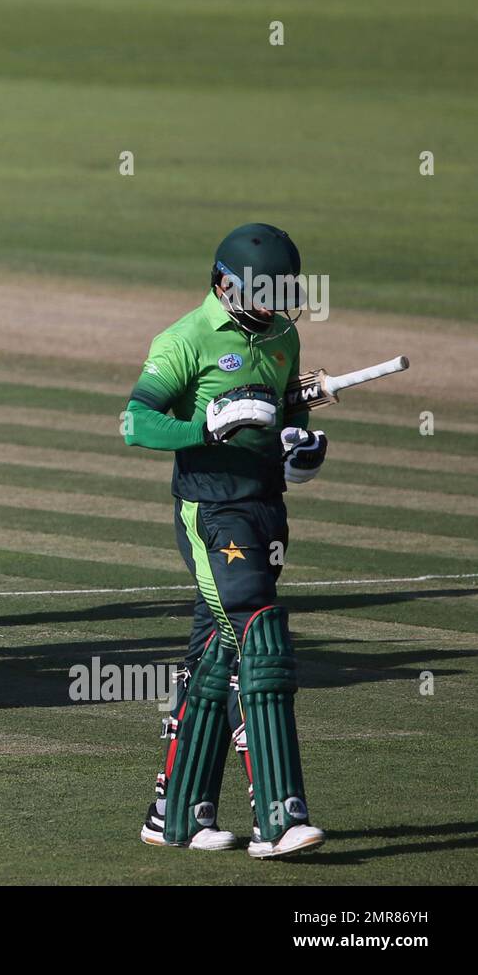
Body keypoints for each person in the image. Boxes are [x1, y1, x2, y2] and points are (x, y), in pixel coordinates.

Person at [123, 223, 328, 859]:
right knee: (259, 636)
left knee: (213, 654)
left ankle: (177, 812)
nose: (276, 301)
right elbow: (136, 422)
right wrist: (206, 426)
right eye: (264, 289)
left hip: (267, 509)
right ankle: (281, 816)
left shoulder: (282, 336)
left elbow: (287, 412)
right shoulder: (186, 338)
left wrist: (301, 443)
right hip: (211, 512)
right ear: (225, 282)